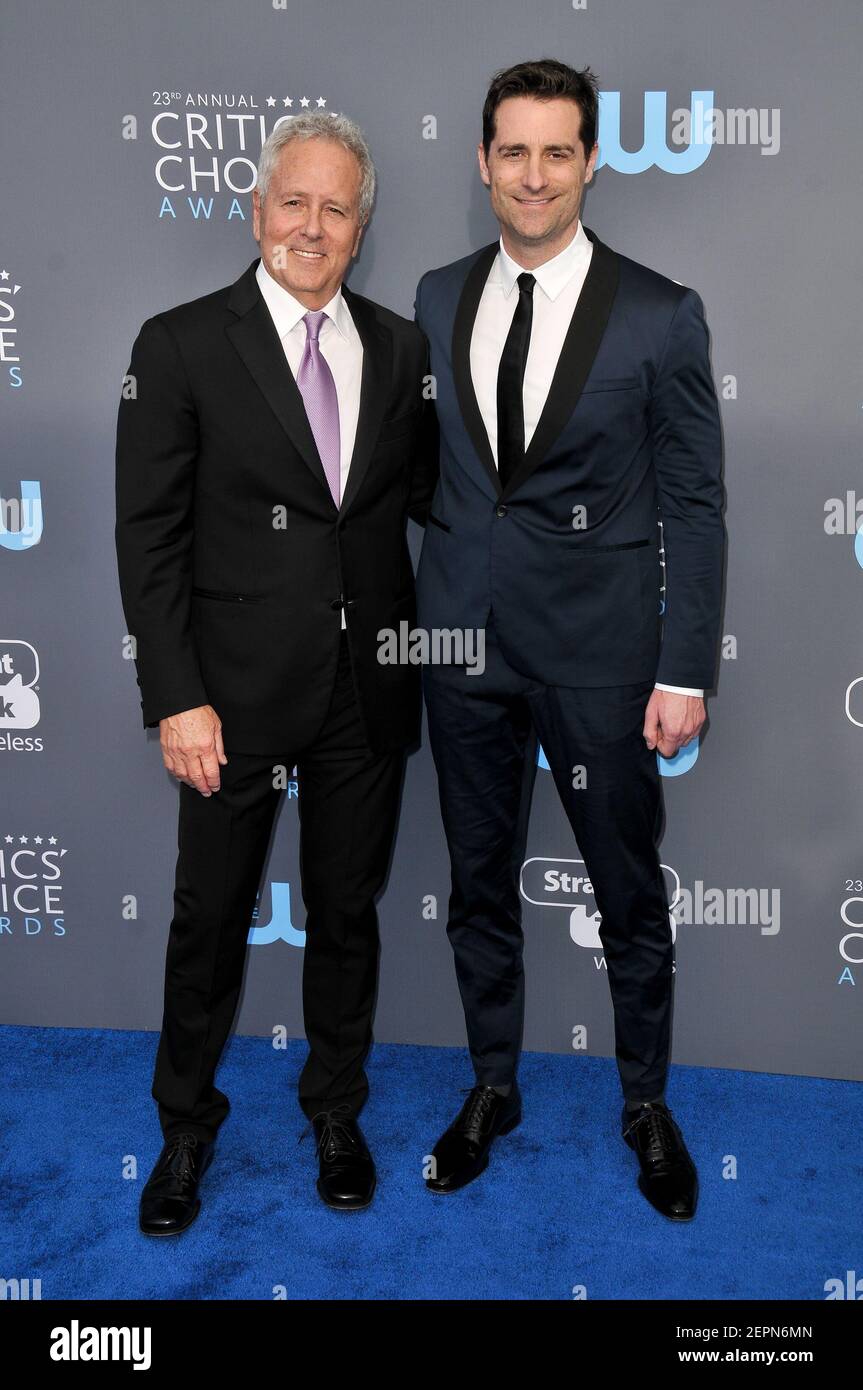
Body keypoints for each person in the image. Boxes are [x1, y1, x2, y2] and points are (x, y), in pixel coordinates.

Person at [413, 58, 725, 1220]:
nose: (533, 176)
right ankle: (491, 1083)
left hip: (601, 656)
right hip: (458, 649)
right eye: (512, 152)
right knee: (476, 885)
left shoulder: (658, 310)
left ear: (591, 162)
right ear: (482, 162)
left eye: (556, 152)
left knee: (627, 891)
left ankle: (644, 1103)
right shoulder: (439, 294)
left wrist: (683, 664)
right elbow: (438, 477)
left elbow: (694, 503)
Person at [115, 112, 436, 1232]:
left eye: (335, 208)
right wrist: (175, 693)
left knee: (347, 912)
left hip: (367, 689)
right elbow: (147, 537)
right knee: (209, 918)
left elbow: (428, 505)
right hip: (228, 695)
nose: (311, 224)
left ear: (360, 229)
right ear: (256, 214)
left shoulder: (401, 349)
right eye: (292, 202)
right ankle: (184, 1131)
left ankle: (334, 1112)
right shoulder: (181, 342)